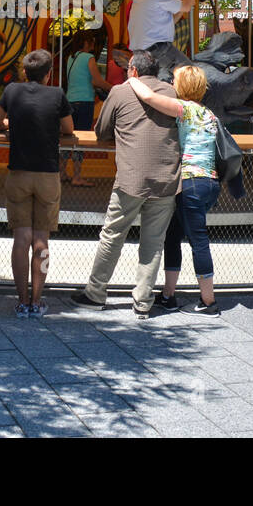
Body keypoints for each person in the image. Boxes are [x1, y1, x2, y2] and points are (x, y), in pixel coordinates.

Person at [69, 49, 181, 319]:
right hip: (166, 179)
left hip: (131, 178)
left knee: (113, 236)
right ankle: (143, 302)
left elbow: (101, 131)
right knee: (153, 243)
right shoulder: (171, 92)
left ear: (133, 70)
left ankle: (95, 293)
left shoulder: (121, 91)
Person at [126, 65, 223, 316]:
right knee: (173, 235)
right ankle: (168, 295)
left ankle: (208, 301)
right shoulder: (209, 114)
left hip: (190, 181)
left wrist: (132, 79)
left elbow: (148, 98)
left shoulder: (185, 109)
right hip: (209, 182)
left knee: (198, 240)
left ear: (182, 87)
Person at [0, 49, 74, 317]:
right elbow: (69, 129)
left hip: (19, 175)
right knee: (42, 241)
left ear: (24, 72)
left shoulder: (12, 91)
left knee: (20, 239)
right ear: (48, 74)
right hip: (48, 175)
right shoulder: (57, 94)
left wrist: (7, 122)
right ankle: (37, 301)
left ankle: (21, 300)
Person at [64, 33, 110, 187]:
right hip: (84, 101)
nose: (93, 45)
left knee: (67, 138)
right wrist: (113, 87)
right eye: (91, 42)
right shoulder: (88, 58)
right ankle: (77, 176)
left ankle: (62, 172)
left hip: (69, 100)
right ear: (85, 42)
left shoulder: (70, 58)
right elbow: (96, 80)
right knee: (81, 139)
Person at [127, 0, 199, 52]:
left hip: (143, 48)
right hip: (156, 48)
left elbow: (169, 22)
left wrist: (181, 6)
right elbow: (186, 6)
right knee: (186, 64)